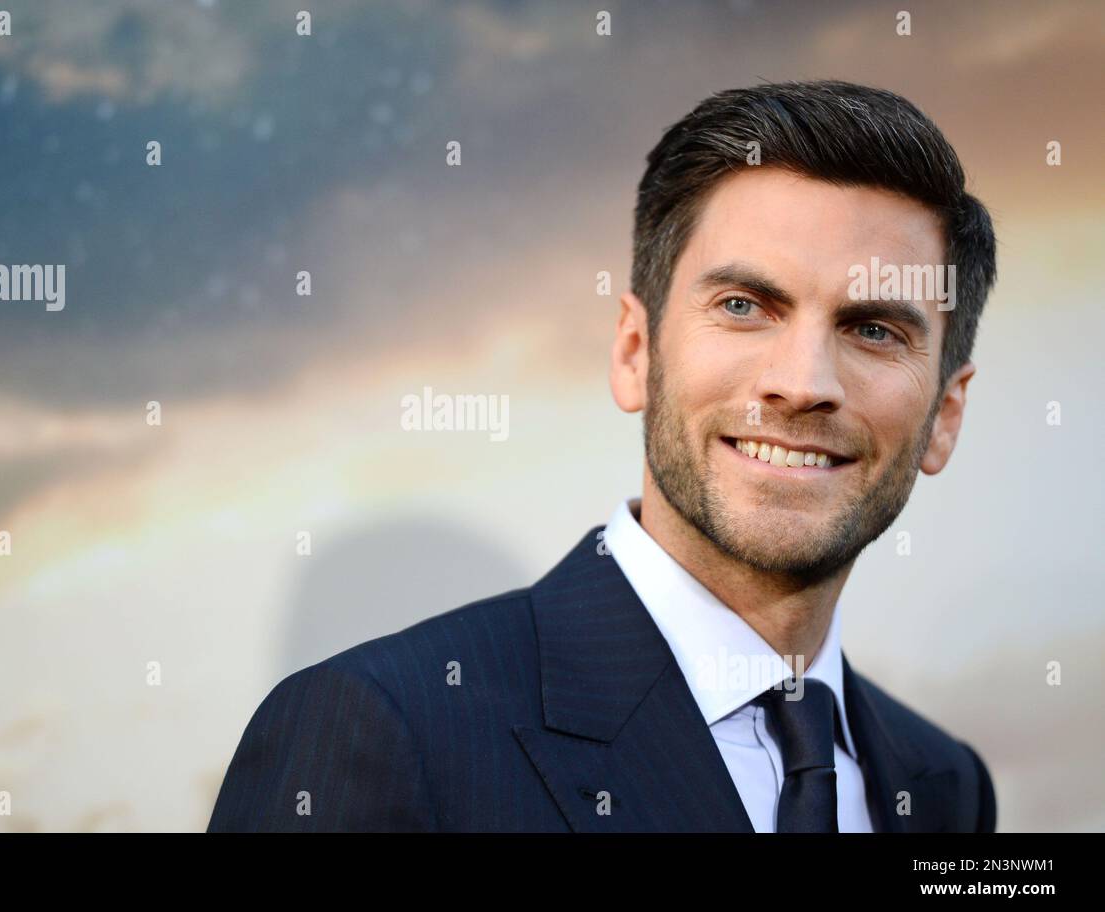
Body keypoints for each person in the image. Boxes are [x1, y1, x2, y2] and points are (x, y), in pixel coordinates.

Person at [207, 80, 998, 832]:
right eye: (743, 306)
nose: (802, 384)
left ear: (943, 416)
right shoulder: (381, 729)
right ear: (634, 351)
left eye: (873, 330)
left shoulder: (945, 788)